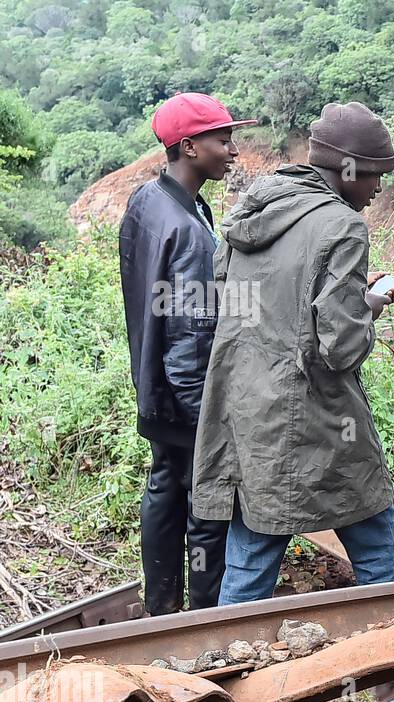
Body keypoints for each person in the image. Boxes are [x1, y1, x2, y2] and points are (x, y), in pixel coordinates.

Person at [191, 101, 394, 607]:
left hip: (245, 410)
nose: (377, 189)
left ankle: (229, 670)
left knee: (252, 547)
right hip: (314, 418)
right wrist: (368, 305)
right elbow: (338, 347)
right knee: (376, 538)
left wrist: (345, 296)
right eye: (373, 175)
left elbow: (240, 302)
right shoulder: (342, 226)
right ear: (346, 167)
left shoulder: (253, 212)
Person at [119, 92, 255, 615]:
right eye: (223, 140)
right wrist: (207, 421)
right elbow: (190, 339)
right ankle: (201, 620)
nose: (233, 150)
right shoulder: (190, 233)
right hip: (186, 395)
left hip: (153, 384)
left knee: (163, 489)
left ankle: (160, 609)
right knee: (206, 507)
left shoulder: (148, 201)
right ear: (189, 146)